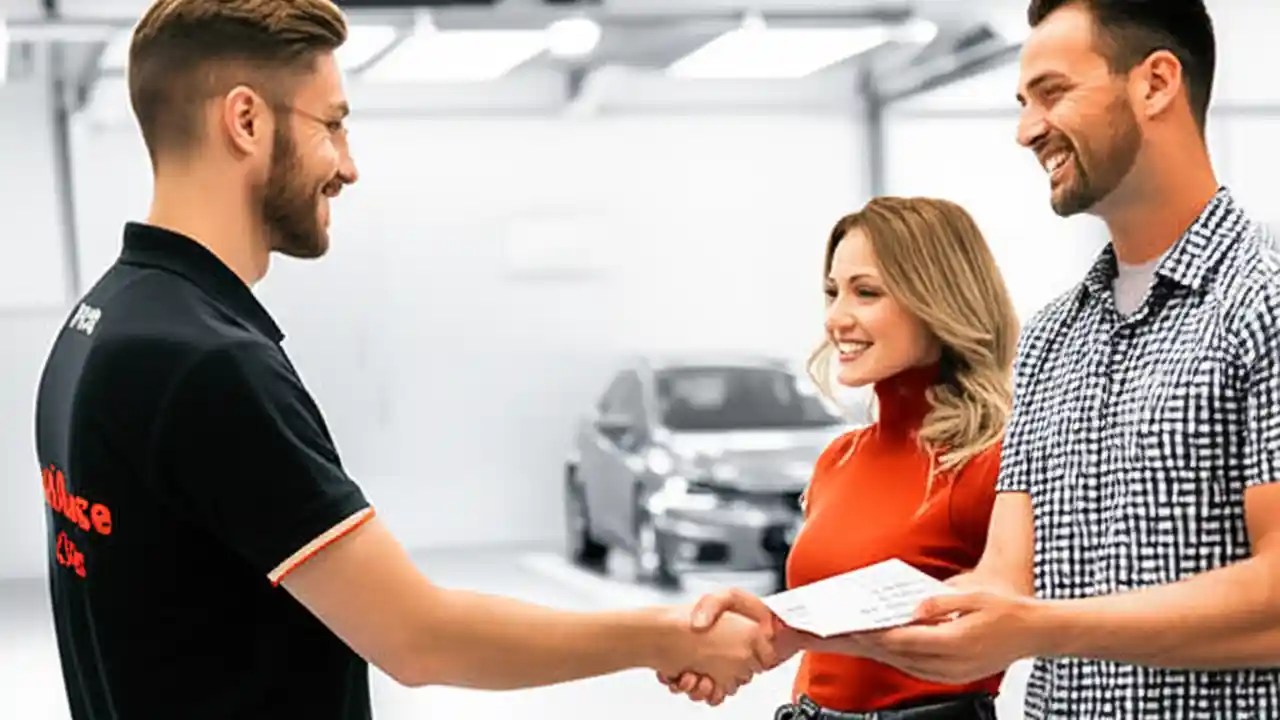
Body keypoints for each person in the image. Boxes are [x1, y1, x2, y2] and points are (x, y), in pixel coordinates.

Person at [32, 1, 774, 718]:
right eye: (333, 124)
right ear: (246, 120)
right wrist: (670, 637)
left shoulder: (99, 325)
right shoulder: (203, 363)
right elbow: (420, 637)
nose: (348, 168)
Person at [683, 0, 1280, 718]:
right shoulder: (1056, 339)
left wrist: (1044, 628)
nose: (1027, 130)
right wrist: (791, 629)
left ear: (1155, 85)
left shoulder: (1263, 305)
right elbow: (1003, 584)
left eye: (1053, 93)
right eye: (1023, 102)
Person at [662, 196, 1021, 719]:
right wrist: (746, 638)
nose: (835, 318)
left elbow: (1001, 630)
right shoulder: (839, 459)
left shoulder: (991, 461)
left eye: (866, 293)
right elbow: (816, 647)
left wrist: (782, 628)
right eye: (832, 292)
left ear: (938, 300)